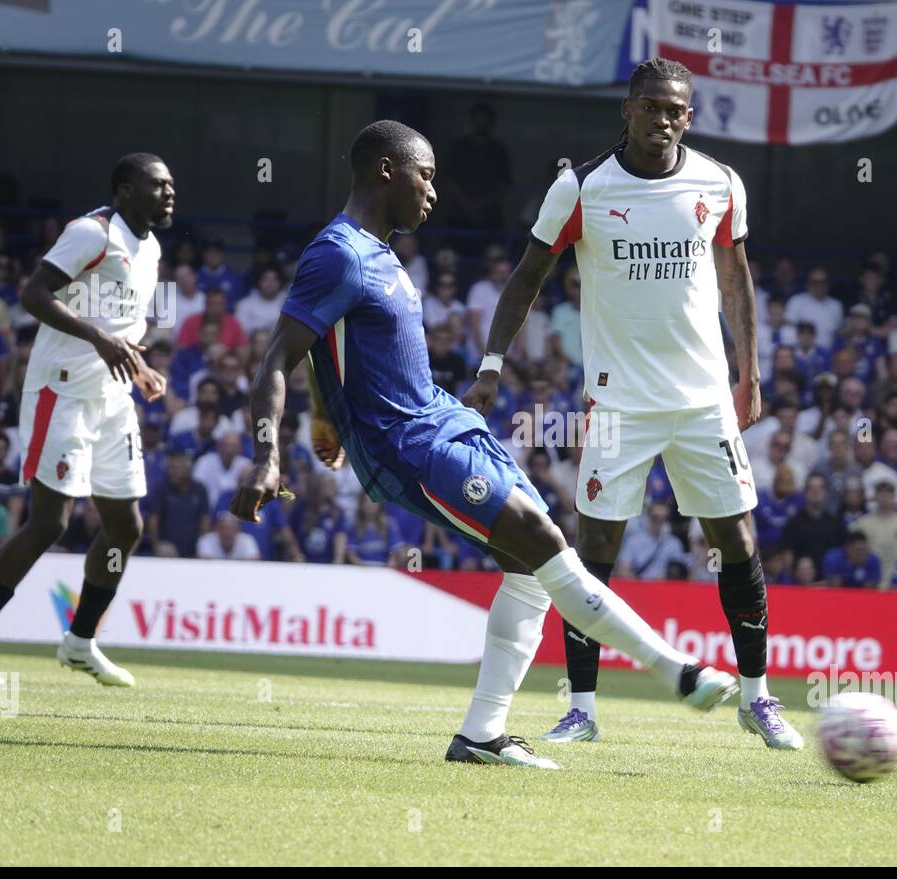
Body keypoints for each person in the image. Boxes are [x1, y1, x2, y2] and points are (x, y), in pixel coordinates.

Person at [230, 118, 737, 771]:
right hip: (405, 445)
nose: (434, 192)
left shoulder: (381, 254)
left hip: (443, 423)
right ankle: (680, 674)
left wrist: (327, 413)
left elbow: (332, 350)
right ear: (386, 171)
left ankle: (482, 734)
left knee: (528, 567)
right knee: (545, 542)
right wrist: (269, 453)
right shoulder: (338, 253)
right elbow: (277, 358)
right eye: (427, 175)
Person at [462, 59, 800, 752]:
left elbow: (736, 282)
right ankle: (581, 708)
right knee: (593, 553)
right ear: (628, 109)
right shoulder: (580, 187)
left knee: (735, 543)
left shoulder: (719, 183)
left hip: (704, 399)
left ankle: (759, 700)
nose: (663, 119)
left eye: (675, 109)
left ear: (689, 115)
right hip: (618, 406)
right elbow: (527, 278)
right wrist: (492, 364)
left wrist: (751, 374)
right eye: (651, 107)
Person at [0, 153, 173, 686]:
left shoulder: (153, 248)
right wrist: (98, 338)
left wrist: (141, 369)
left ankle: (80, 641)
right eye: (157, 185)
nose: (168, 194)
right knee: (50, 522)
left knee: (126, 526)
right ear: (123, 191)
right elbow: (32, 295)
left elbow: (125, 325)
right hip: (62, 392)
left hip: (114, 398)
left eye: (171, 186)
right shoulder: (90, 233)